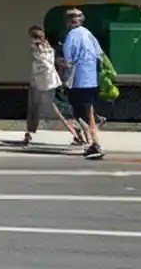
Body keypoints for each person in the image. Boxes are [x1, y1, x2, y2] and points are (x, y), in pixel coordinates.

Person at [23, 26, 83, 146]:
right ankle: (29, 132)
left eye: (36, 37)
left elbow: (44, 64)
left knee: (51, 109)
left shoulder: (39, 49)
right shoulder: (46, 47)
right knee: (36, 109)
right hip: (44, 82)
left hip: (43, 83)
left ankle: (74, 131)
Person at [61, 9, 106, 160]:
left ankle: (95, 142)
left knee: (82, 113)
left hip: (78, 80)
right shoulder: (88, 34)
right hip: (91, 78)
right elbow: (100, 54)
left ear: (68, 22)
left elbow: (68, 59)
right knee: (88, 111)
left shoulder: (71, 36)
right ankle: (93, 140)